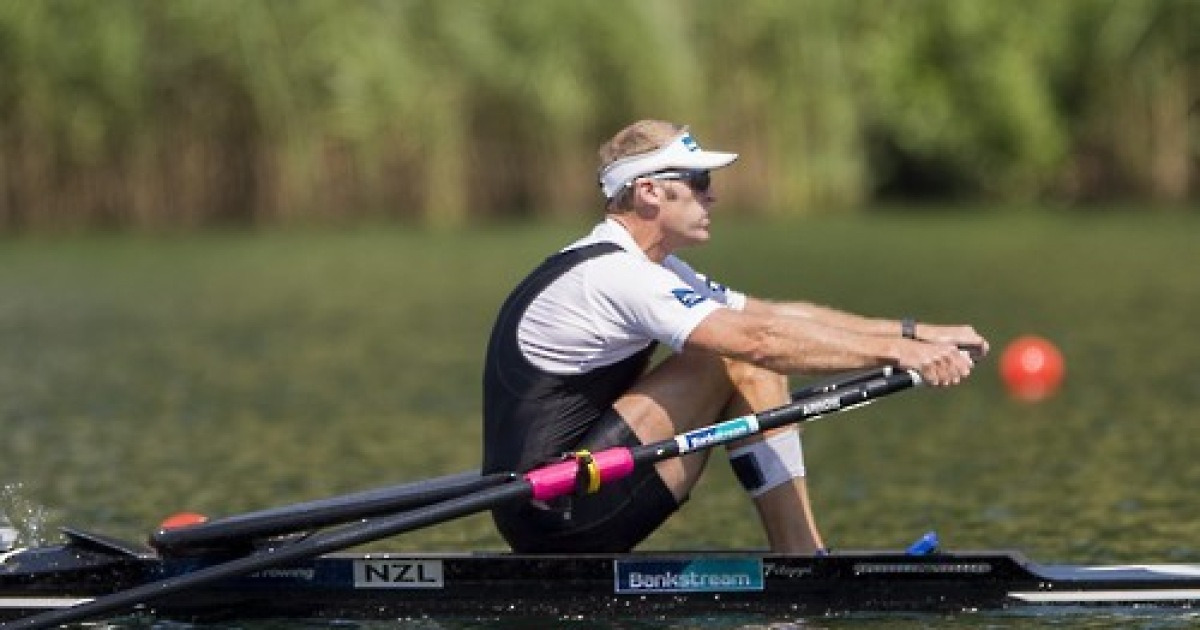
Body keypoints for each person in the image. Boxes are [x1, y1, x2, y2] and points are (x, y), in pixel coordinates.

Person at [481, 119, 988, 554]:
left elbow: (775, 316)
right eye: (699, 181)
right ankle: (802, 558)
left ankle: (801, 556)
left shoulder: (650, 267)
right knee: (738, 357)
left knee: (741, 343)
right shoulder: (616, 276)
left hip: (577, 487)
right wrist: (900, 354)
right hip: (555, 509)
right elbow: (760, 340)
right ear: (649, 191)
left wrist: (914, 332)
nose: (712, 196)